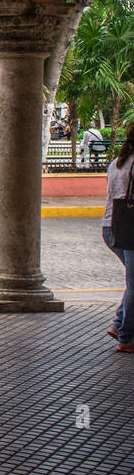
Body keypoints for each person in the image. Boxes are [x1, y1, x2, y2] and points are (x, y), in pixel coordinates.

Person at [101, 124, 134, 352]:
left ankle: (118, 323)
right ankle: (126, 337)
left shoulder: (117, 163)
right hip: (130, 229)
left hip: (110, 227)